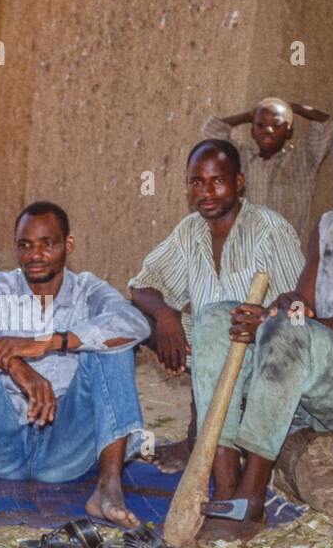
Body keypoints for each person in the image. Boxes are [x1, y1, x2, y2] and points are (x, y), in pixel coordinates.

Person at [196, 113, 333, 524]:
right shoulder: (329, 226)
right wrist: (275, 311)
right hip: (318, 380)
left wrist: (290, 325)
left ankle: (251, 501)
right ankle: (225, 486)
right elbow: (304, 300)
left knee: (289, 330)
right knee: (216, 319)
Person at [0, 202, 151, 528]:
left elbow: (133, 323)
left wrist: (54, 341)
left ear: (68, 245)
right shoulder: (0, 289)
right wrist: (15, 365)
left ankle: (108, 491)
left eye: (47, 244)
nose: (35, 255)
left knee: (113, 346)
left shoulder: (87, 290)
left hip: (64, 450)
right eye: (25, 245)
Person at [128, 139, 304, 472]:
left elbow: (299, 316)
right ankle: (196, 432)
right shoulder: (191, 229)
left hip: (264, 357)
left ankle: (224, 440)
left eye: (217, 181)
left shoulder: (270, 230)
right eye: (197, 182)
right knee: (133, 317)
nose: (206, 192)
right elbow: (141, 284)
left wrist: (262, 322)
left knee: (220, 329)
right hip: (211, 348)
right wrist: (167, 317)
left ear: (239, 182)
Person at [200, 97, 333, 233]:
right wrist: (248, 116)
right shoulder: (242, 159)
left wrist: (294, 108)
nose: (268, 130)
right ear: (252, 132)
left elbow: (325, 125)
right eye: (260, 125)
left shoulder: (303, 158)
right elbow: (212, 132)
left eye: (276, 125)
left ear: (289, 132)